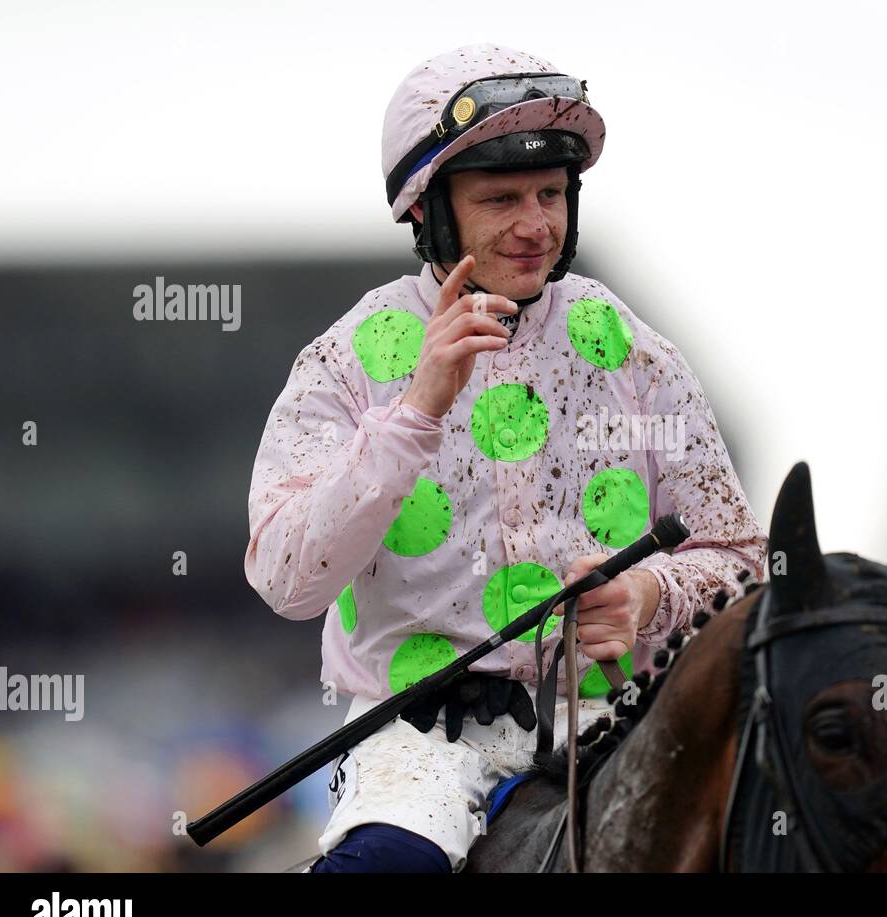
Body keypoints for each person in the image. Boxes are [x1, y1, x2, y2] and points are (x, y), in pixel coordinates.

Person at [243, 42, 767, 872]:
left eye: (551, 193)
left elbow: (743, 560)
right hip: (418, 745)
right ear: (427, 212)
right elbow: (285, 579)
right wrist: (417, 411)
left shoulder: (632, 349)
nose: (537, 225)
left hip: (617, 725)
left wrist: (648, 592)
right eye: (501, 199)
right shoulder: (343, 361)